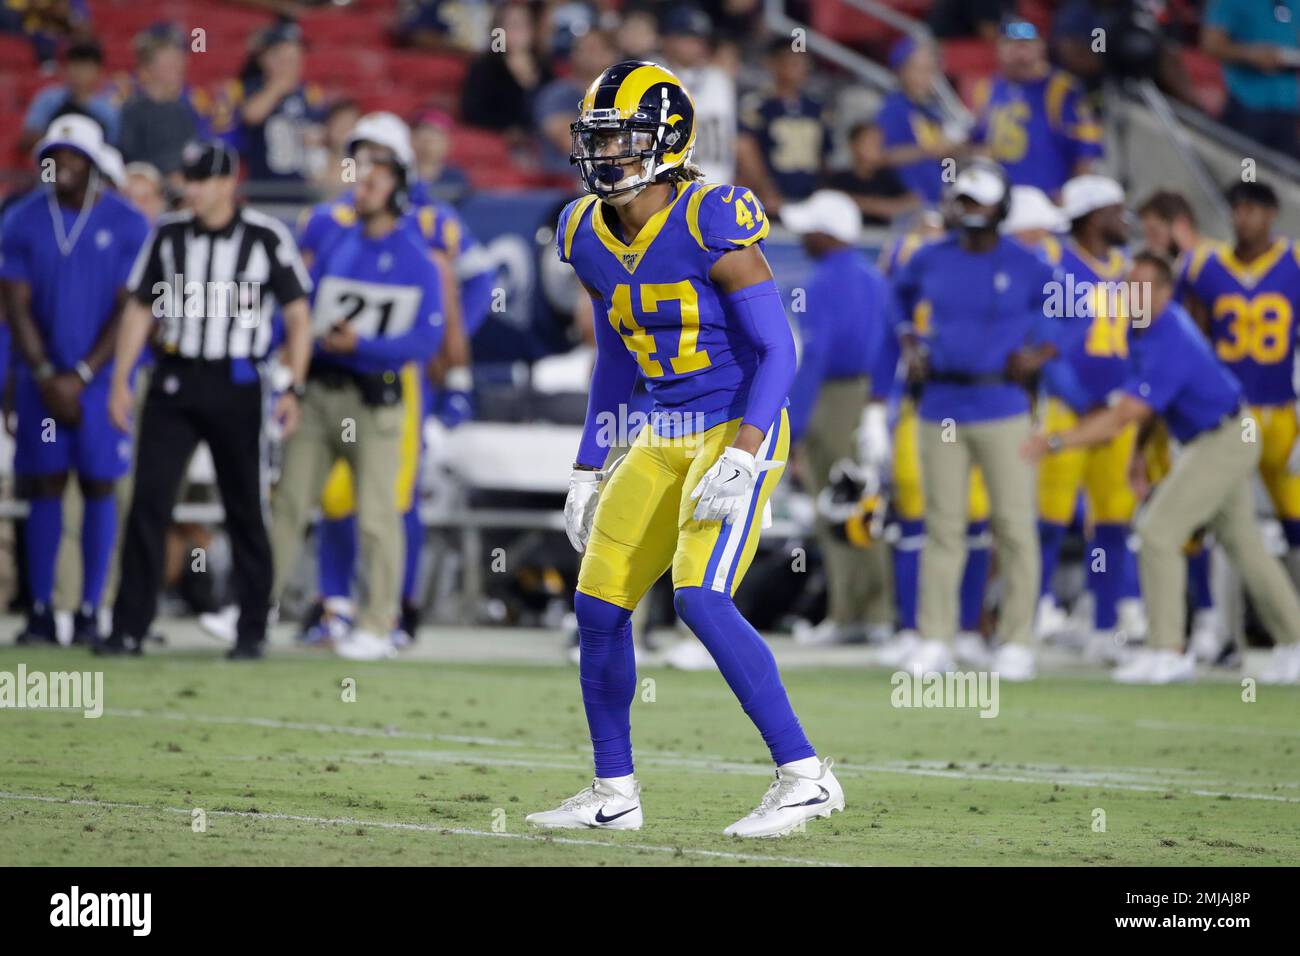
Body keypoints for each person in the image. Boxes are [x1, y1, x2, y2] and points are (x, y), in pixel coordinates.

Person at [529, 60, 843, 837]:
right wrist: (586, 463)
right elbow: (611, 360)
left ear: (667, 139)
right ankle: (614, 792)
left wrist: (744, 452)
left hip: (735, 425)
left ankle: (806, 776)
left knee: (700, 597)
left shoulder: (712, 214)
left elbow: (780, 349)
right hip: (657, 431)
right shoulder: (582, 230)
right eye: (596, 139)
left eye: (621, 139)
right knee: (597, 607)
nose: (605, 155)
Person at [1023, 253, 1300, 685]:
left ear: (1166, 293)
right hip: (1215, 434)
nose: (1134, 294)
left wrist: (1056, 441)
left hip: (1225, 438)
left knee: (1156, 533)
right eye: (1130, 285)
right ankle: (1295, 643)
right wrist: (1136, 456)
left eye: (1145, 287)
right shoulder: (1145, 328)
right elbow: (1147, 407)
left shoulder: (1169, 336)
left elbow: (1123, 415)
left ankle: (1168, 650)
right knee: (1245, 546)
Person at [101, 140, 312, 658]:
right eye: (188, 180)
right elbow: (138, 310)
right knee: (149, 500)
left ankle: (252, 628)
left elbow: (298, 313)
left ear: (226, 183)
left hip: (238, 382)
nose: (189, 190)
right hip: (174, 380)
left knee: (245, 506)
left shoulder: (265, 236)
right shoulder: (168, 235)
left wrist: (294, 385)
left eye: (199, 180)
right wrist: (120, 379)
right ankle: (130, 625)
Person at [268, 115, 445, 662]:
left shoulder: (420, 247)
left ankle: (381, 616)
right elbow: (296, 315)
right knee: (294, 502)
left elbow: (427, 337)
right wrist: (289, 372)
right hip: (320, 389)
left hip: (379, 394)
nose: (363, 178)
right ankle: (271, 606)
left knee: (380, 508)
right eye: (359, 164)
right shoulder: (331, 234)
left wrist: (361, 345)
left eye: (377, 167)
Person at [892, 159, 1060, 680]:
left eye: (977, 201)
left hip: (1004, 405)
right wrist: (906, 337)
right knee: (943, 526)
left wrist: (1042, 352)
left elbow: (1072, 313)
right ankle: (936, 638)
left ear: (1001, 207)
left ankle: (1016, 639)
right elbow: (894, 295)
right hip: (941, 402)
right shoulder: (932, 257)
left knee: (1014, 525)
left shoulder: (1028, 262)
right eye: (962, 201)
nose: (968, 211)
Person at [0, 116, 149, 647]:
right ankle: (42, 610)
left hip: (102, 379)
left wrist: (83, 374)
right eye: (54, 154)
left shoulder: (129, 224)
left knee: (99, 483)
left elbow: (131, 307)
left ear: (94, 162)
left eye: (72, 155)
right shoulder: (20, 220)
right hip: (41, 379)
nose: (60, 164)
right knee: (44, 482)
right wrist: (42, 374)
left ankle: (91, 610)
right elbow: (14, 304)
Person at [1033, 175, 1145, 659]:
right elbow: (1039, 343)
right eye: (1116, 209)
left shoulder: (1129, 270)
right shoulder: (1053, 264)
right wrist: (1080, 398)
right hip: (1066, 410)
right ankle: (1037, 609)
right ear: (1092, 215)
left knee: (1112, 523)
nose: (1125, 219)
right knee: (1050, 519)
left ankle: (1104, 624)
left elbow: (1140, 343)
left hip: (1118, 414)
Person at [1177, 180, 1300, 592]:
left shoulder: (1295, 262)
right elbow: (1187, 337)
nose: (1242, 217)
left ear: (1271, 214)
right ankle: (1208, 619)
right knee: (1201, 514)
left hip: (1281, 412)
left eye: (1252, 208)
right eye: (1237, 208)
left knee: (1294, 514)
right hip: (1227, 416)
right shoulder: (1202, 267)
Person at [780, 190, 889, 645]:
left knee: (835, 507)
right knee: (864, 506)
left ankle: (847, 616)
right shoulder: (873, 278)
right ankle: (877, 614)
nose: (803, 235)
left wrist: (796, 424)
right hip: (866, 398)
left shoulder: (823, 282)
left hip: (833, 399)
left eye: (811, 227)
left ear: (828, 233)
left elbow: (818, 354)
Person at [970, 19, 1103, 197]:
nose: (1020, 54)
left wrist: (1074, 196)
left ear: (1041, 48)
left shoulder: (1062, 89)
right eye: (1011, 45)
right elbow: (977, 140)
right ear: (998, 50)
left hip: (1048, 199)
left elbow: (1086, 149)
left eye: (1026, 45)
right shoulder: (986, 88)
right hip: (1000, 199)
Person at [736, 38, 830, 214]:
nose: (800, 69)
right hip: (768, 200)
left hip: (808, 199)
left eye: (804, 63)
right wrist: (765, 190)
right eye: (793, 62)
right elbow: (746, 149)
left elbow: (823, 155)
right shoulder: (758, 105)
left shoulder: (816, 108)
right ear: (774, 64)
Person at [1202, 0, 1300, 155]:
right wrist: (1250, 55)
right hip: (1246, 104)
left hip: (1287, 109)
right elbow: (1211, 44)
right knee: (1247, 172)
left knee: (1280, 175)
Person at [117, 24, 213, 180]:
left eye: (179, 62)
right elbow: (130, 159)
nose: (180, 67)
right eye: (171, 63)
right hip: (148, 188)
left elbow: (197, 149)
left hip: (188, 186)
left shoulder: (188, 108)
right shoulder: (133, 111)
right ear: (149, 68)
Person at [877, 37, 963, 207]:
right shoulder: (892, 109)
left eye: (930, 70)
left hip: (940, 199)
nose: (925, 77)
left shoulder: (935, 113)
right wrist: (929, 150)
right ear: (901, 71)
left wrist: (951, 182)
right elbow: (883, 156)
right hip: (910, 201)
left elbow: (948, 160)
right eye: (918, 69)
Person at [660, 6, 736, 186]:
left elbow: (734, 138)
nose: (697, 45)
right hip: (671, 187)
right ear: (668, 39)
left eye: (700, 39)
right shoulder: (653, 75)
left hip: (718, 183)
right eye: (688, 38)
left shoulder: (720, 80)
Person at [20, 39, 118, 152]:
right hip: (51, 162)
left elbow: (112, 148)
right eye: (74, 65)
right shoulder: (48, 99)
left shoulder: (108, 110)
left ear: (99, 71)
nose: (78, 72)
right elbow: (27, 142)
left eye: (85, 66)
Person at [826, 121, 919, 225]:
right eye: (870, 142)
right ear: (854, 145)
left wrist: (885, 207)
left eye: (878, 142)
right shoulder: (840, 179)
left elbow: (912, 201)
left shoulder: (886, 178)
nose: (876, 147)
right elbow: (832, 202)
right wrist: (873, 206)